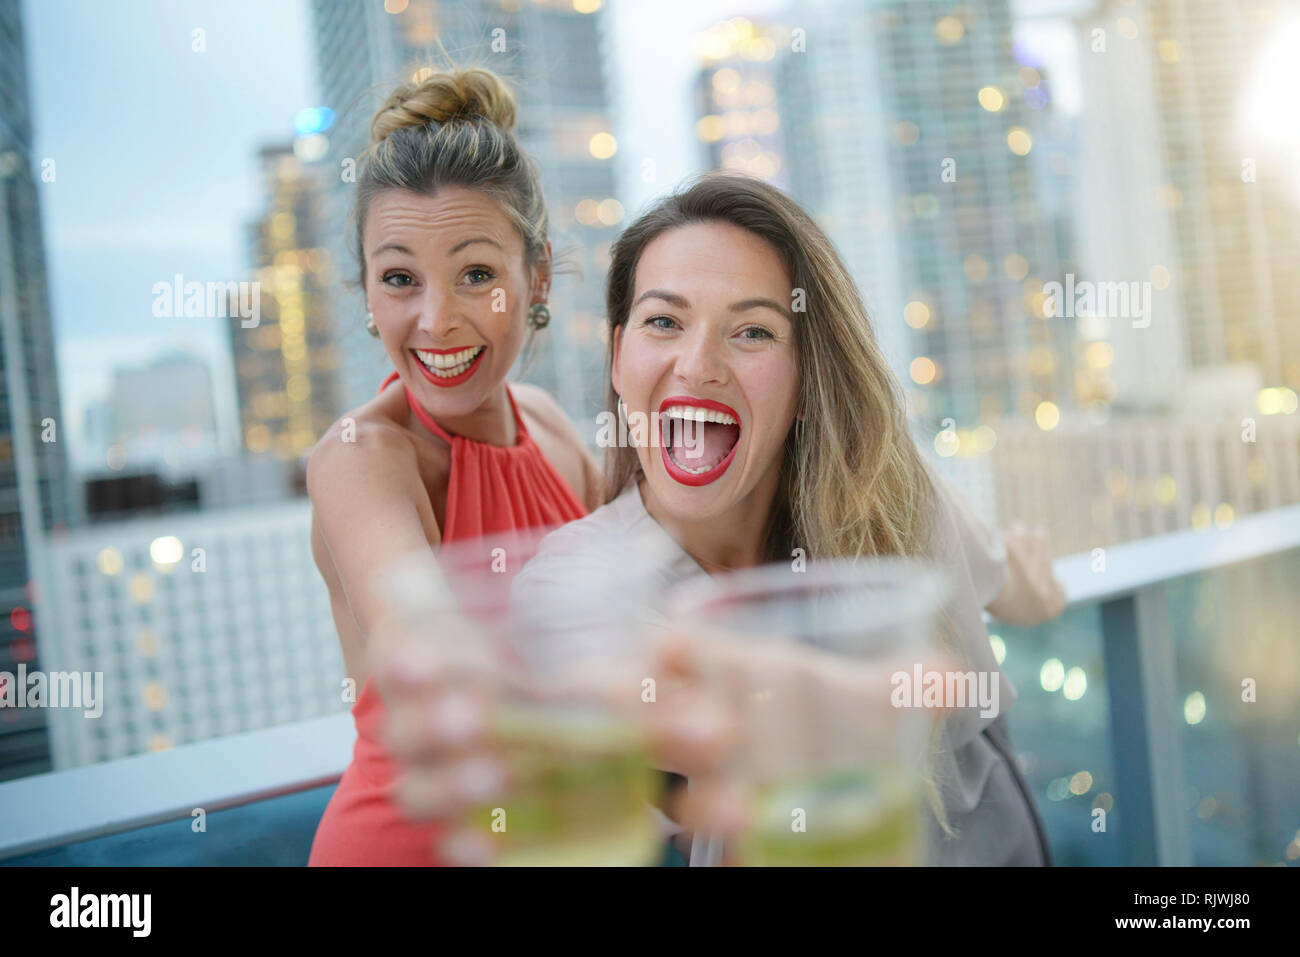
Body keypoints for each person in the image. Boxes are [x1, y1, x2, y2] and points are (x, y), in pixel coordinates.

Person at [374, 173, 1067, 865]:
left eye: (753, 331)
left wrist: (1033, 582)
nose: (698, 365)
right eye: (664, 321)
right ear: (619, 358)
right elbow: (640, 701)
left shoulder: (895, 497)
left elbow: (1015, 583)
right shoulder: (577, 580)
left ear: (805, 386)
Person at [305, 66, 602, 866]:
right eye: (400, 279)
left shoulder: (551, 426)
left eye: (476, 274)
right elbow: (420, 648)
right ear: (367, 293)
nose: (436, 322)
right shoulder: (360, 457)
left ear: (535, 276)